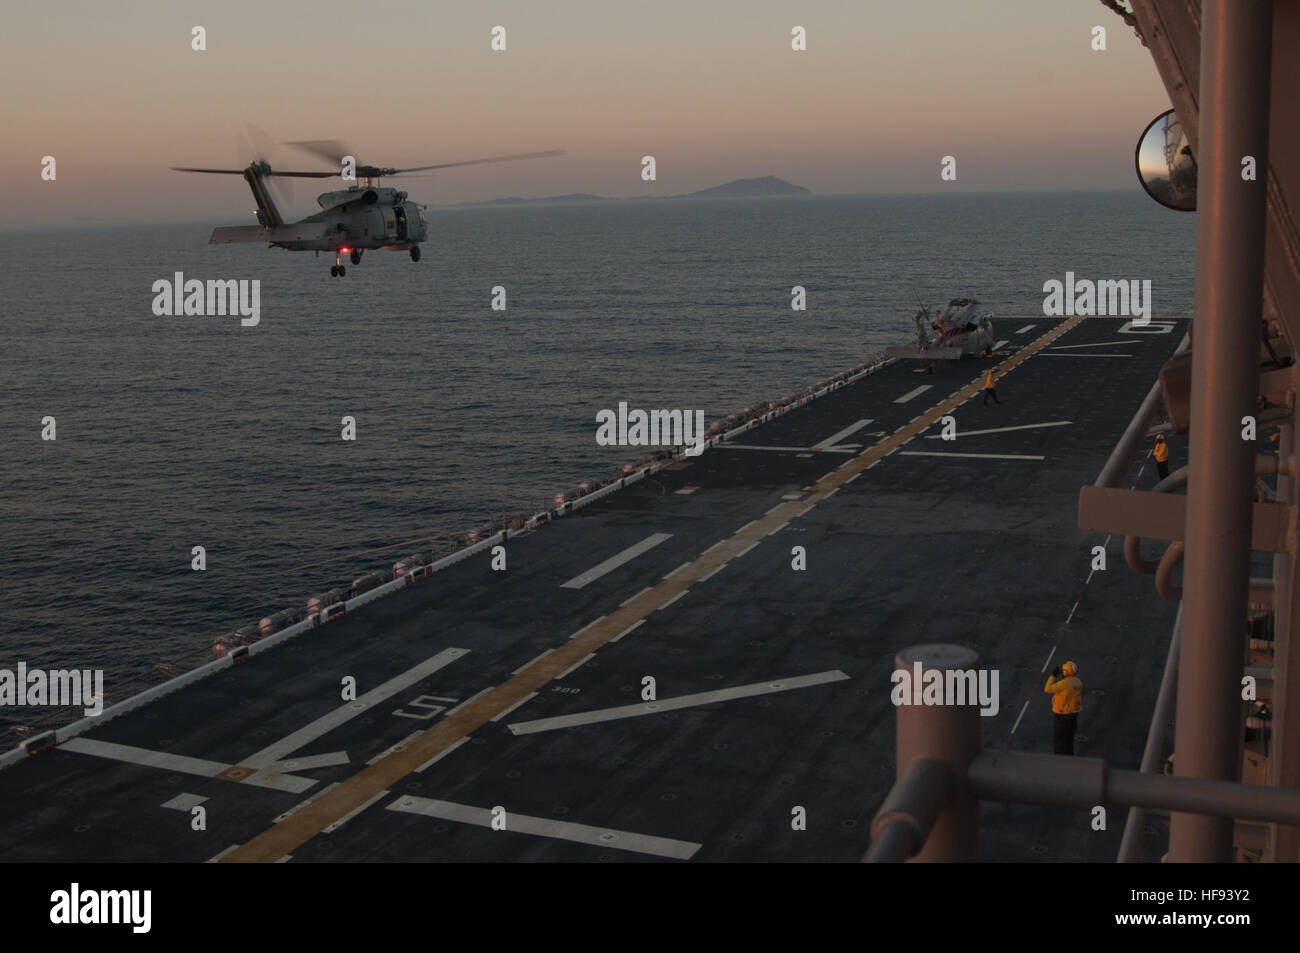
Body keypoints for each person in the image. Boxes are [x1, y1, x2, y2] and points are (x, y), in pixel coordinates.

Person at [1044, 661, 1083, 755]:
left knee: (1059, 739)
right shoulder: (1077, 681)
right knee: (1069, 739)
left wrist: (1053, 675)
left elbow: (1047, 688)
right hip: (1073, 714)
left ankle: (1059, 760)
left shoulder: (1063, 684)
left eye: (1064, 671)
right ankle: (1069, 757)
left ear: (1067, 672)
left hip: (1062, 716)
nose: (1062, 672)